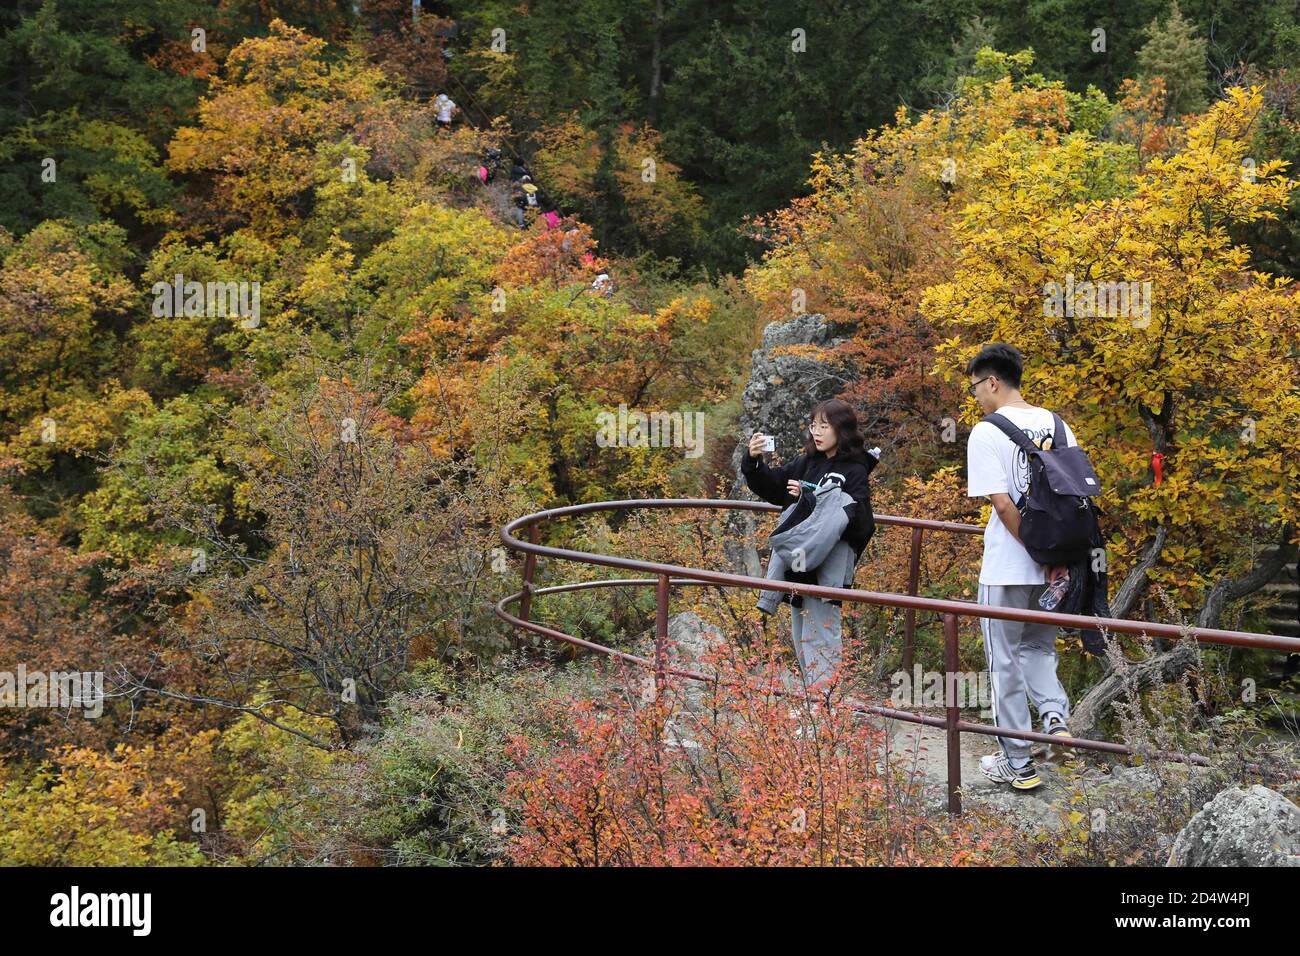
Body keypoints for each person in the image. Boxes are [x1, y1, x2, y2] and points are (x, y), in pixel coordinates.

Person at [965, 342, 1077, 791]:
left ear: (992, 381)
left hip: (1008, 567)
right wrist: (1056, 559)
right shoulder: (1058, 423)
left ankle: (1018, 762)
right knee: (1039, 649)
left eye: (976, 387)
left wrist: (1035, 550)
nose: (975, 396)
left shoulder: (986, 431)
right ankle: (1055, 718)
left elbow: (1003, 503)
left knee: (1004, 661)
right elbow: (1075, 496)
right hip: (1056, 570)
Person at [741, 399, 876, 695]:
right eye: (814, 425)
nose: (817, 432)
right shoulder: (807, 462)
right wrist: (753, 461)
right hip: (798, 564)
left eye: (824, 426)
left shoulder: (854, 470)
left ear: (842, 430)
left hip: (826, 568)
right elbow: (774, 486)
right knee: (802, 638)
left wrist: (812, 496)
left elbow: (860, 521)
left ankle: (824, 712)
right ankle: (815, 712)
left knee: (822, 640)